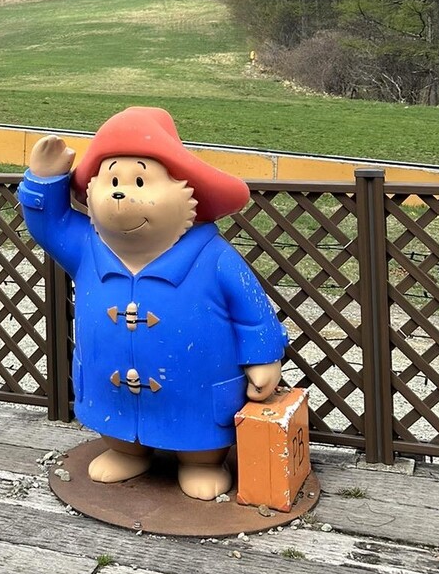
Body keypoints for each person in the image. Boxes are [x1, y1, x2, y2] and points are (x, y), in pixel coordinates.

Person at [19, 106, 286, 498]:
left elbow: (254, 313)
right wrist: (44, 180)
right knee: (118, 424)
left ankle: (200, 459)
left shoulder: (213, 256)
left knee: (200, 436)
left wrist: (264, 359)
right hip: (113, 386)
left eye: (141, 181)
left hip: (195, 389)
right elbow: (48, 223)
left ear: (185, 193)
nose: (121, 192)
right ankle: (127, 449)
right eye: (111, 180)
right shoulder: (88, 248)